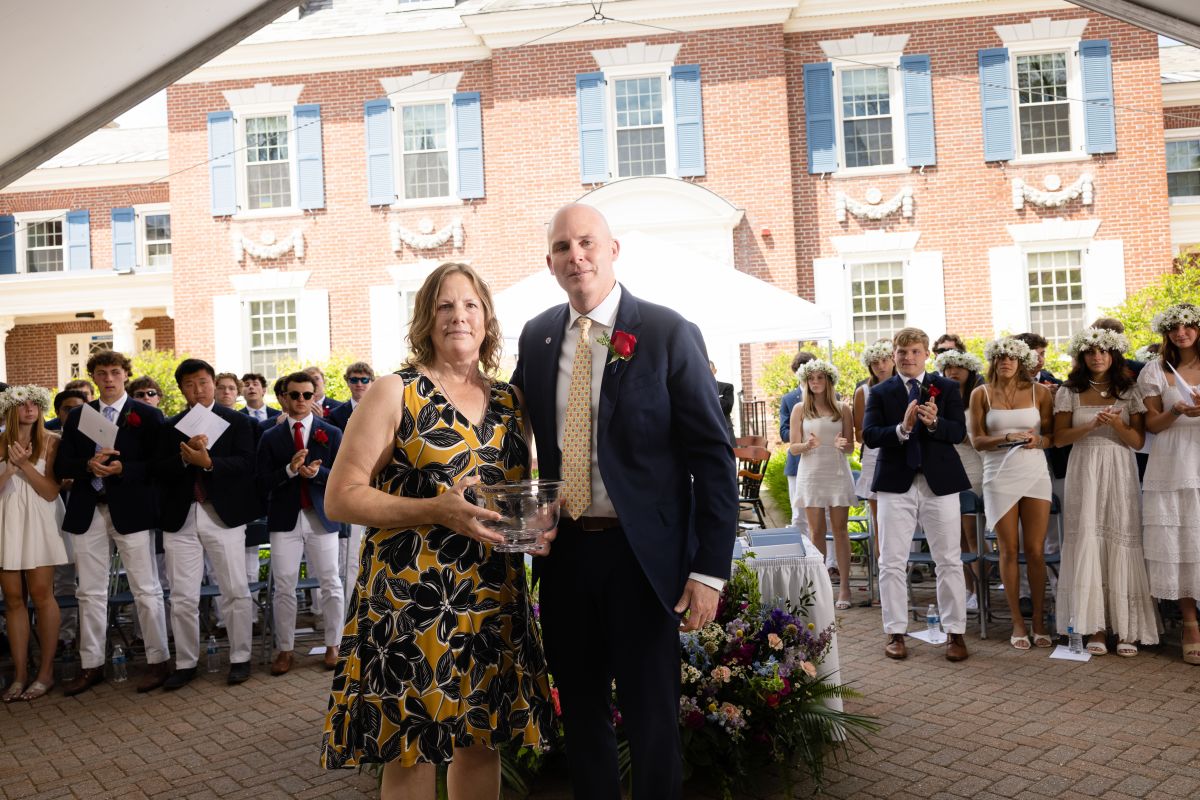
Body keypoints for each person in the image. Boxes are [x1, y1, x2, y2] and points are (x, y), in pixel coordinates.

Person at [509, 203, 737, 799]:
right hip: (565, 560)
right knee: (581, 717)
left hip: (644, 561)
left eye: (587, 242)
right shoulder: (536, 338)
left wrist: (709, 569)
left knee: (652, 719)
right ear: (550, 263)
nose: (575, 255)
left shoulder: (666, 332)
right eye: (562, 247)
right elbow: (516, 441)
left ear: (613, 251)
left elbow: (713, 458)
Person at [321, 262, 553, 799]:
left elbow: (515, 490)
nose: (458, 316)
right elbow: (341, 496)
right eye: (445, 306)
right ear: (426, 318)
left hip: (491, 597)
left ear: (487, 319)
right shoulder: (394, 392)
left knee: (481, 740)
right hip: (410, 601)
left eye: (470, 305)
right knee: (411, 748)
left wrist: (537, 524)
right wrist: (434, 509)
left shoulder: (511, 403)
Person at [55, 350, 171, 695]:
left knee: (146, 588)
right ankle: (91, 665)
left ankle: (158, 661)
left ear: (125, 374)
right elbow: (63, 465)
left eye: (115, 372)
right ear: (93, 377)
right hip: (89, 509)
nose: (108, 378)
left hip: (130, 508)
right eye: (102, 372)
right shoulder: (79, 415)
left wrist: (127, 469)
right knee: (89, 591)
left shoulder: (148, 415)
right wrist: (87, 465)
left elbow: (161, 465)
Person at [863, 327, 970, 662]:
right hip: (897, 484)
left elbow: (959, 432)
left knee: (949, 559)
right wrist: (902, 429)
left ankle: (955, 633)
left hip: (939, 483)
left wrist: (936, 423)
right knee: (892, 560)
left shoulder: (947, 387)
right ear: (893, 355)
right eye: (901, 352)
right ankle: (896, 632)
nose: (907, 358)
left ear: (926, 354)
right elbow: (869, 435)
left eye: (914, 352)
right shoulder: (881, 392)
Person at [154, 358, 262, 688]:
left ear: (213, 383)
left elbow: (247, 463)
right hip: (182, 516)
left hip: (222, 514)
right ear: (181, 388)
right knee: (182, 595)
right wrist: (186, 458)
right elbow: (159, 470)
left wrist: (210, 461)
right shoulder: (171, 425)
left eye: (202, 382)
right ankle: (186, 662)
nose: (197, 390)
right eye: (189, 384)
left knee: (234, 589)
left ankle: (240, 657)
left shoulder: (237, 421)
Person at [1054, 328, 1159, 656]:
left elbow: (1139, 442)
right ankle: (1095, 628)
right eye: (1090, 351)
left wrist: (1116, 425)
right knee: (1088, 538)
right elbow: (1058, 439)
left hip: (1119, 468)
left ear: (1114, 355)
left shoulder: (1131, 390)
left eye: (1103, 351)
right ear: (1082, 356)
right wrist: (1089, 426)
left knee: (1120, 537)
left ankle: (1126, 629)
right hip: (1083, 467)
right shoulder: (1068, 390)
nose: (1097, 356)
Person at [970, 337, 1055, 650]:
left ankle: (1039, 620)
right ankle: (1017, 622)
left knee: (1035, 549)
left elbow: (1051, 436)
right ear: (993, 361)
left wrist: (1038, 442)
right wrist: (1005, 436)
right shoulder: (981, 394)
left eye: (1012, 357)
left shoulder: (1040, 392)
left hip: (1034, 472)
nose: (1006, 362)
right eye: (1000, 357)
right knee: (1008, 549)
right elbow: (977, 440)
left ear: (1021, 362)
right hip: (998, 474)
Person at [258, 371, 344, 676]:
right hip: (285, 518)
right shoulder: (270, 436)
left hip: (321, 515)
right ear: (283, 397)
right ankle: (285, 649)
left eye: (307, 395)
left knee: (331, 581)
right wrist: (290, 470)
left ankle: (335, 644)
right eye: (295, 395)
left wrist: (317, 474)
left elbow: (343, 476)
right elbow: (262, 481)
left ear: (314, 396)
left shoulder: (330, 433)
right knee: (283, 585)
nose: (301, 401)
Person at [1138, 302, 1200, 664]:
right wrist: (1175, 410)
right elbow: (1152, 426)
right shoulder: (1155, 370)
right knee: (1180, 538)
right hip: (1172, 461)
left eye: (1188, 326)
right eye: (1174, 327)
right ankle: (1189, 621)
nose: (1182, 332)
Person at [0, 385, 67, 701]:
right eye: (22, 404)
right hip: (5, 523)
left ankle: (46, 672)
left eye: (34, 404)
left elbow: (52, 491)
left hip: (38, 522)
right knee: (13, 599)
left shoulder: (52, 442)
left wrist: (25, 465)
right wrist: (9, 468)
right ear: (10, 410)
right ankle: (20, 673)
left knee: (42, 595)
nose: (29, 409)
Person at [789, 359, 856, 609]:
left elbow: (850, 446)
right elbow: (793, 448)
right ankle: (820, 587)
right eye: (811, 378)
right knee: (816, 531)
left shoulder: (843, 409)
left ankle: (845, 589)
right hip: (811, 472)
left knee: (840, 530)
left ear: (829, 381)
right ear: (806, 382)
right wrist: (807, 445)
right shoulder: (799, 409)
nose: (815, 382)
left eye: (820, 378)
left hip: (837, 471)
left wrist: (844, 446)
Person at [934, 348, 986, 611]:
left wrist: (959, 434)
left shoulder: (977, 398)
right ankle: (967, 588)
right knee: (956, 540)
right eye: (948, 367)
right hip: (947, 468)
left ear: (969, 370)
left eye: (959, 367)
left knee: (972, 535)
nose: (953, 372)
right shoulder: (938, 398)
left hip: (972, 469)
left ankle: (980, 590)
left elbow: (980, 437)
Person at [326, 361, 375, 604]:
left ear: (371, 382)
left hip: (378, 487)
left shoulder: (381, 409)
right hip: (349, 487)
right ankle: (349, 612)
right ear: (347, 382)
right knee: (348, 559)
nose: (359, 384)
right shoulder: (335, 416)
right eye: (354, 379)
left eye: (364, 380)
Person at [853, 340, 895, 562]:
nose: (881, 366)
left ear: (893, 360)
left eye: (885, 360)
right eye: (875, 362)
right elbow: (859, 433)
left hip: (900, 455)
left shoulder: (907, 387)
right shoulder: (864, 391)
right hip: (873, 458)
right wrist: (883, 433)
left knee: (901, 522)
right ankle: (882, 579)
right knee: (880, 524)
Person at [780, 351, 816, 531]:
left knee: (824, 512)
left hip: (823, 462)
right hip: (797, 462)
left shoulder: (834, 397)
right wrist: (802, 431)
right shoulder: (788, 399)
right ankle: (803, 558)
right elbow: (784, 432)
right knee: (799, 515)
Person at [709, 360, 736, 443]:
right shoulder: (696, 389)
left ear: (715, 371)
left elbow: (727, 408)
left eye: (709, 370)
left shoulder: (727, 387)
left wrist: (709, 392)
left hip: (725, 430)